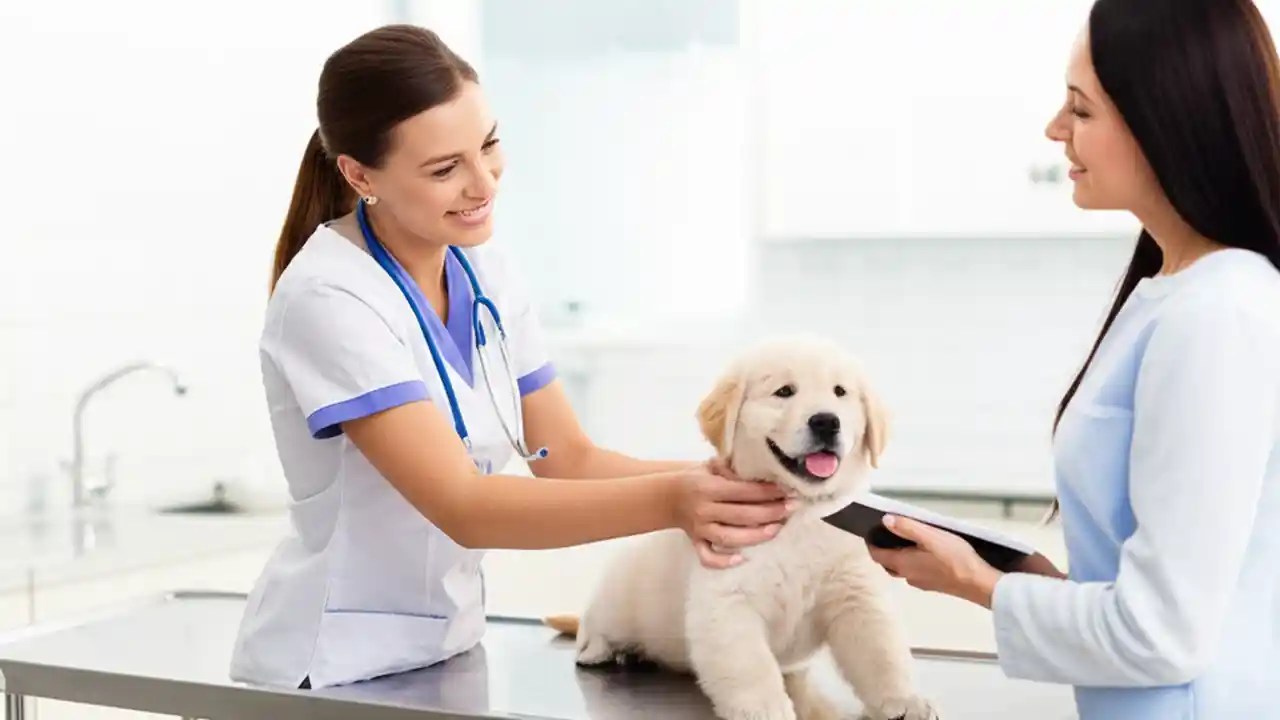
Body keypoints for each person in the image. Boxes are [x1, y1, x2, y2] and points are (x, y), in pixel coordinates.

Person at [228, 24, 793, 690]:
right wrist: (679, 501)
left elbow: (564, 460)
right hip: (330, 663)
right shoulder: (330, 296)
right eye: (444, 169)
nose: (483, 181)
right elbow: (463, 503)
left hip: (445, 649)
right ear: (358, 174)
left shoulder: (484, 271)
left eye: (489, 144)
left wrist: (742, 482)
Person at [861, 1, 1280, 717]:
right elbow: (1154, 598)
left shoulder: (1218, 313)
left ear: (1164, 119)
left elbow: (1162, 638)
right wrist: (1033, 576)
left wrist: (979, 583)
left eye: (1080, 110)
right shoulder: (1177, 294)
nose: (1056, 129)